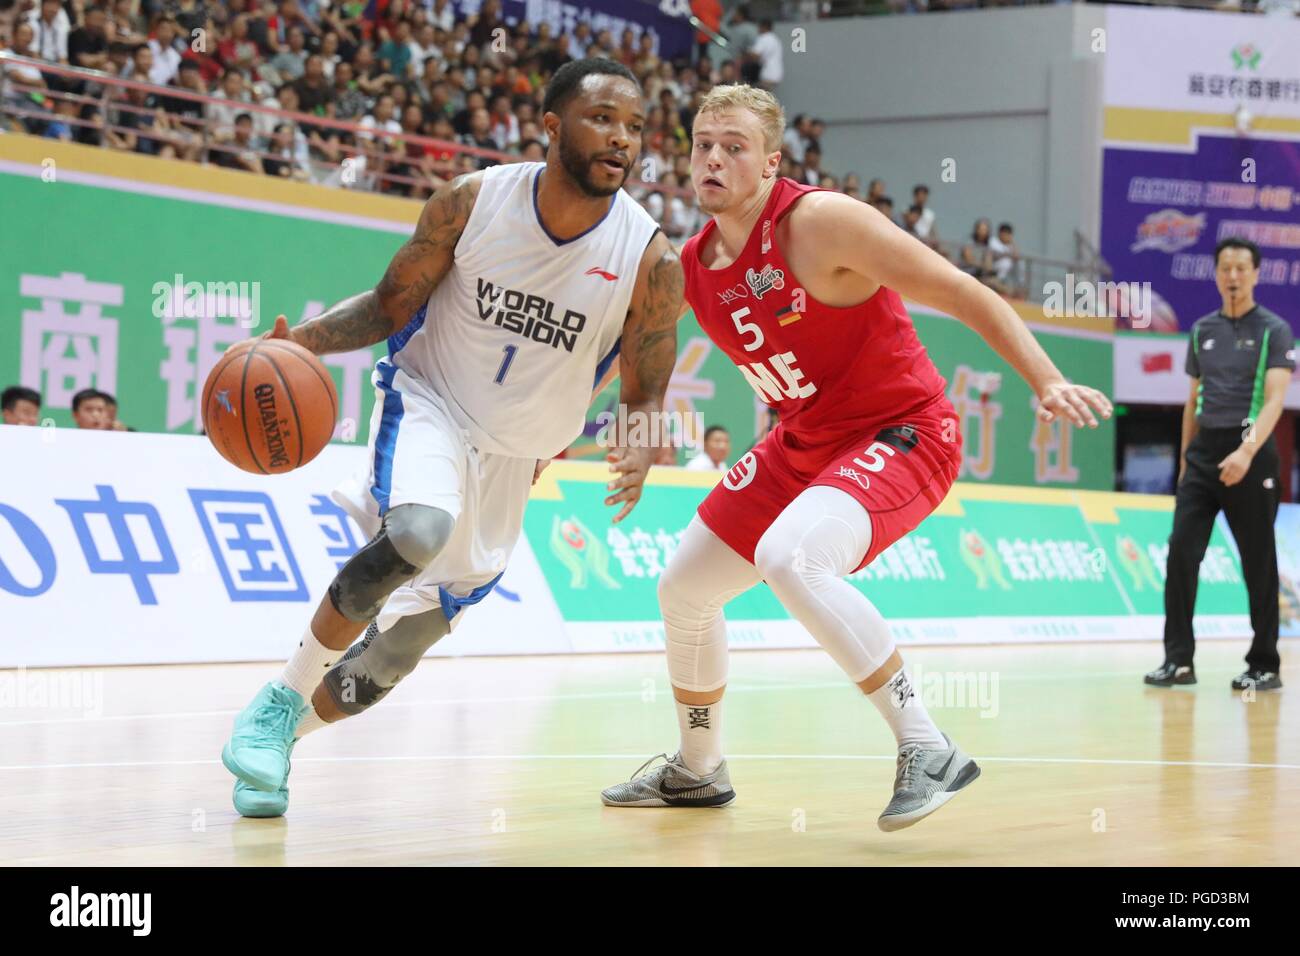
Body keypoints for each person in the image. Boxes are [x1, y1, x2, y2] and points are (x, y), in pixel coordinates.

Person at [601, 84, 1111, 831]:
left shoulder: (821, 223)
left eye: (734, 146)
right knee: (682, 589)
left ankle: (925, 744)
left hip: (904, 432)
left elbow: (962, 291)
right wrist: (626, 445)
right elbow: (639, 351)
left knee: (790, 558)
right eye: (703, 144)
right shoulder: (691, 263)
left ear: (772, 162)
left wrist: (1047, 377)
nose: (712, 158)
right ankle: (699, 768)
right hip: (801, 441)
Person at [219, 58, 684, 818]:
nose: (622, 139)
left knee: (396, 656)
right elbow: (388, 304)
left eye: (635, 127)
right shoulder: (475, 201)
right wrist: (302, 343)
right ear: (550, 126)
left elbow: (646, 387)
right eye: (602, 118)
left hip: (514, 455)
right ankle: (276, 701)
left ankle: (275, 745)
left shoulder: (650, 260)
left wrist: (637, 440)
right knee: (418, 532)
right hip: (431, 401)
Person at [1145, 238, 1294, 692]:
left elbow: (1274, 401)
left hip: (1252, 451)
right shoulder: (1201, 330)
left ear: (1255, 274)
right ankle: (1179, 661)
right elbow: (1192, 400)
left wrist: (1247, 451)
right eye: (1225, 267)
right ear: (1216, 273)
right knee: (1182, 553)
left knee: (1258, 561)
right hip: (1204, 455)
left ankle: (1264, 664)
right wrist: (1186, 460)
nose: (1233, 275)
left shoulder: (1274, 330)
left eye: (1241, 268)